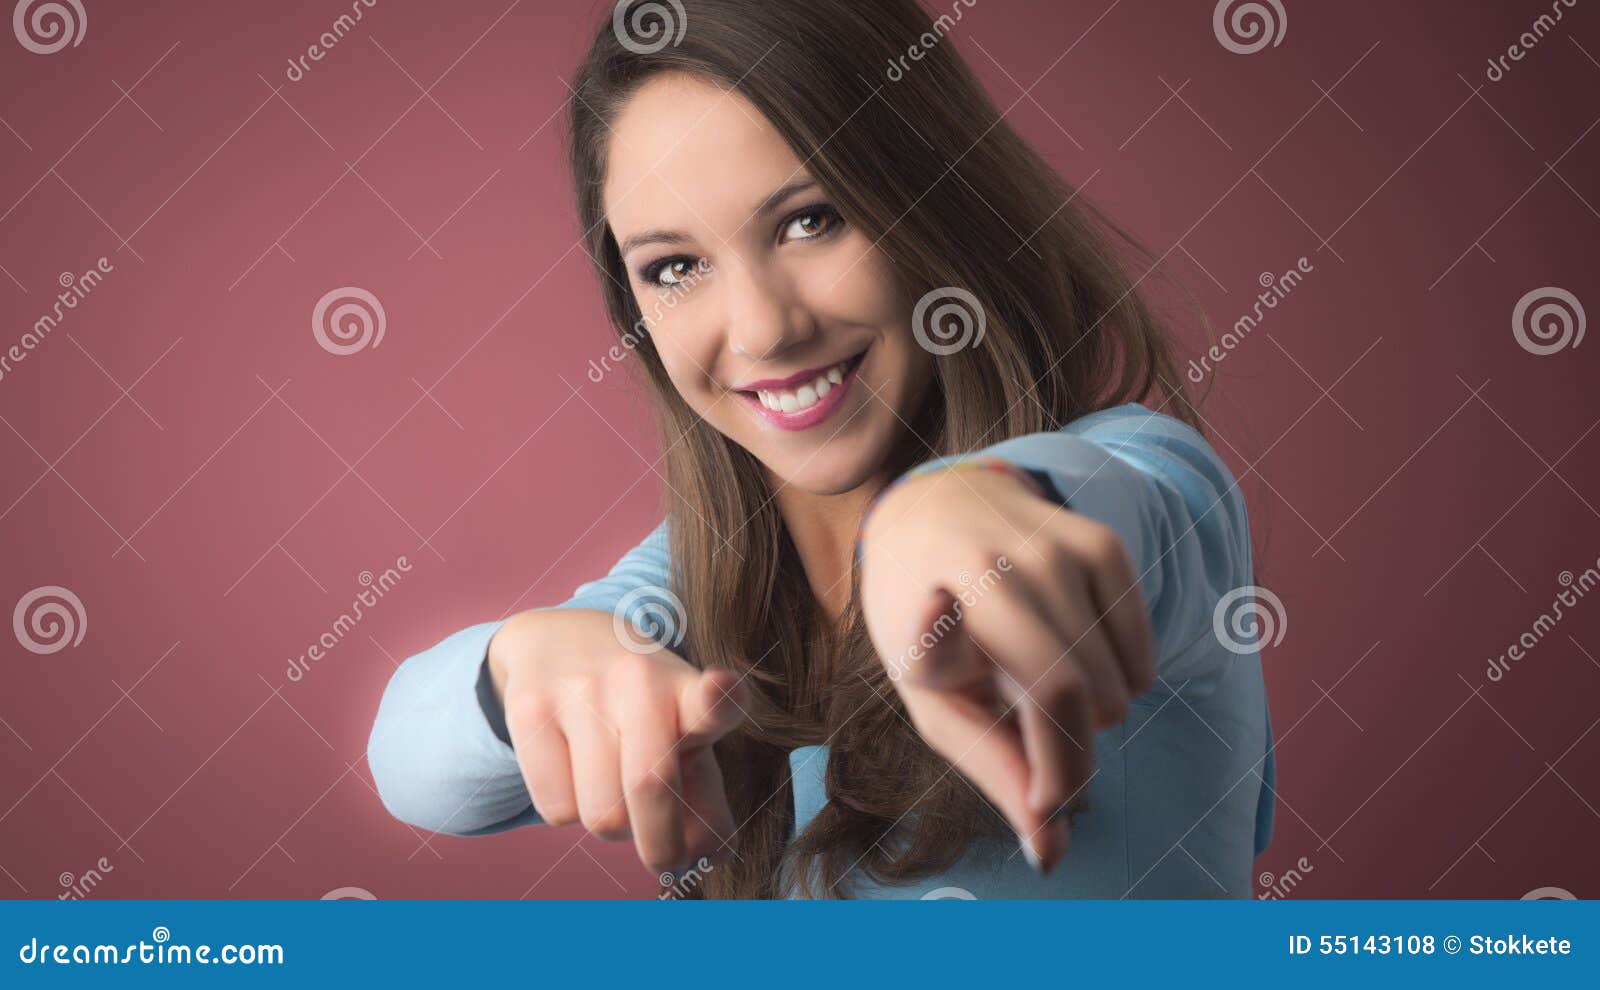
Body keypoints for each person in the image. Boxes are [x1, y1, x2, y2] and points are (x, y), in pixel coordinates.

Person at [369, 0, 1274, 899]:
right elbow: (413, 764)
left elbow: (1136, 512)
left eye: (812, 220)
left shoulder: (1141, 468)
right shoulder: (698, 580)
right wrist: (519, 668)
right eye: (675, 268)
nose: (763, 329)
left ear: (934, 202)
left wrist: (972, 508)